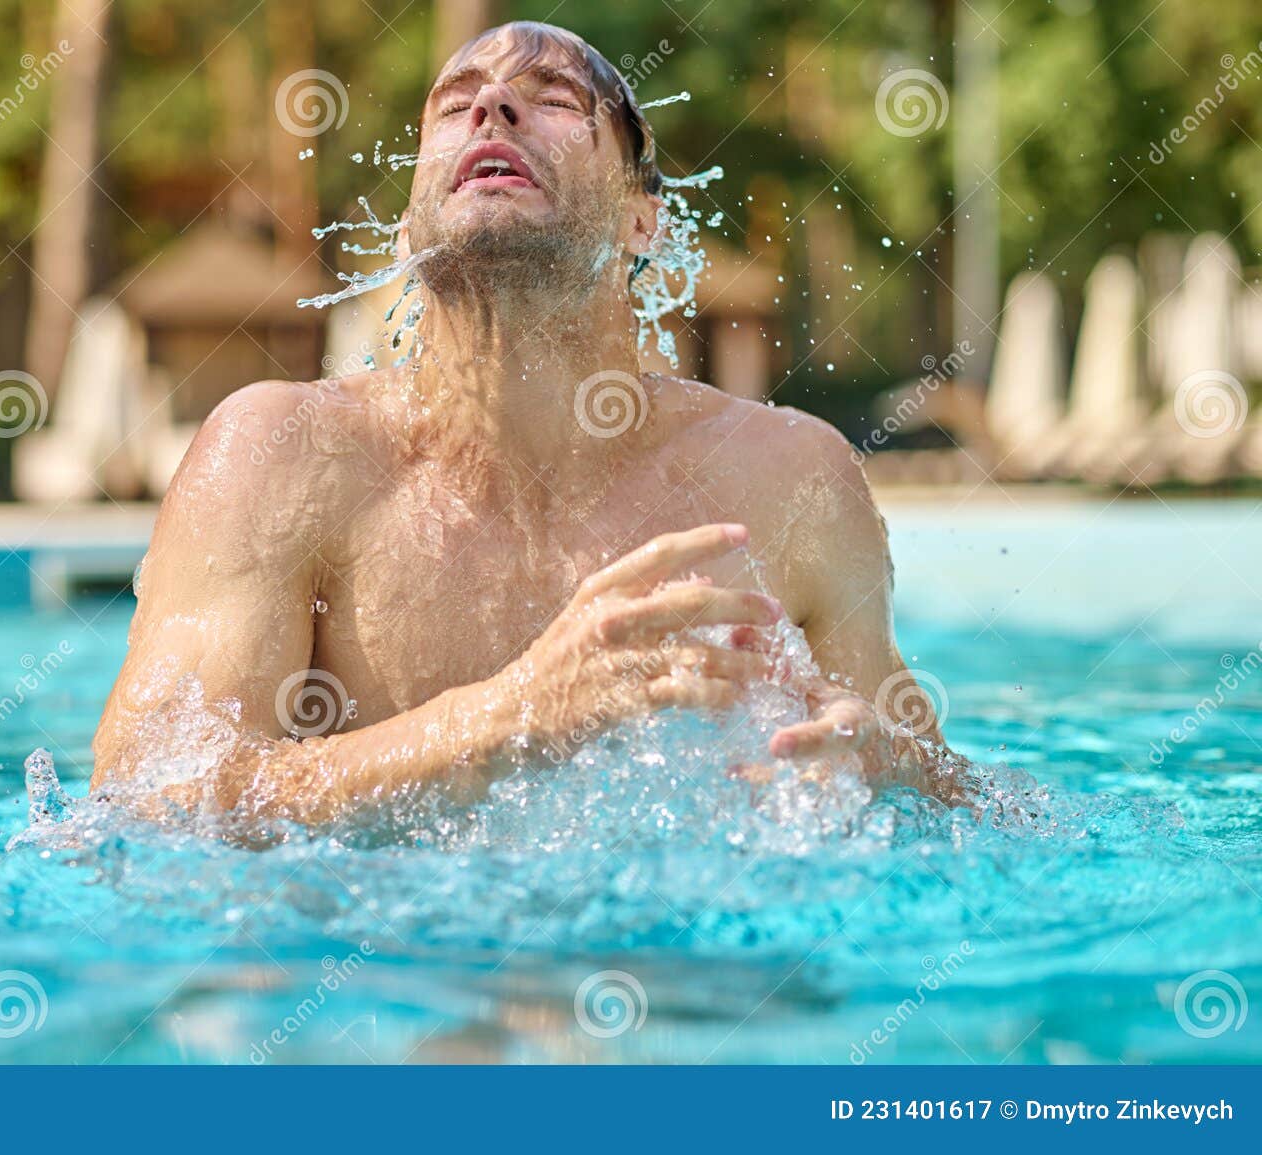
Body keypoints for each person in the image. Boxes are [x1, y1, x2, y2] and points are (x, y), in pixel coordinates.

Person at [92, 21, 956, 825]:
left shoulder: (789, 479)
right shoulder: (279, 456)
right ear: (408, 229)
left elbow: (954, 797)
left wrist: (879, 761)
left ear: (640, 219)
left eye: (555, 100)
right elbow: (144, 800)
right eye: (454, 104)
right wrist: (509, 715)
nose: (492, 106)